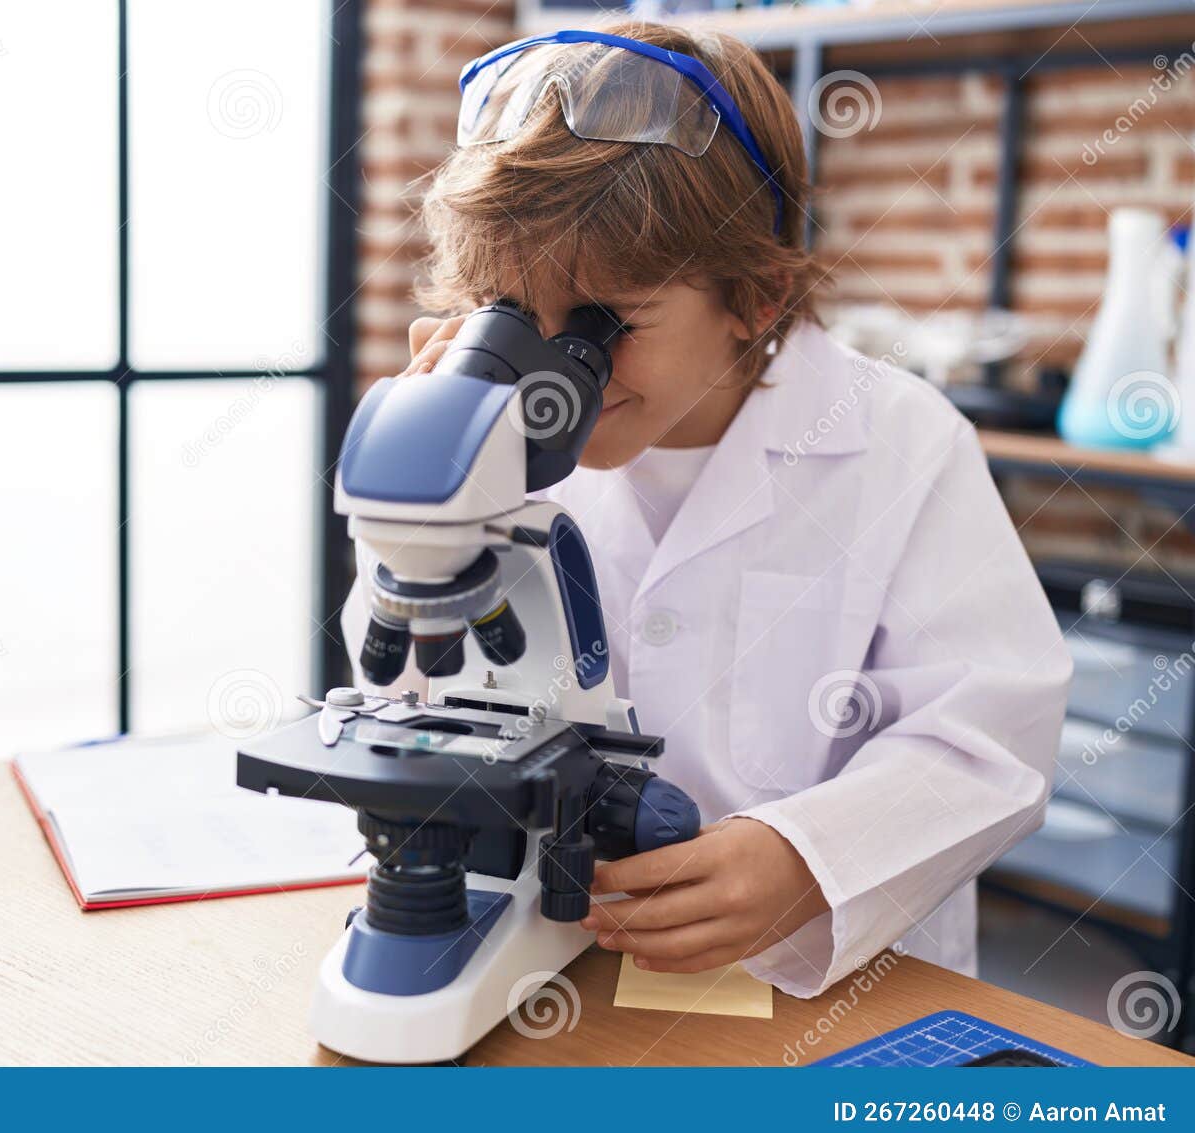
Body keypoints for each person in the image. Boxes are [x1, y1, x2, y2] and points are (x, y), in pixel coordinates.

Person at [396, 23, 1071, 997]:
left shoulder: (898, 442)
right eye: (507, 309)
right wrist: (431, 497)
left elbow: (994, 731)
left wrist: (805, 857)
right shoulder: (488, 433)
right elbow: (406, 694)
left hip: (814, 981)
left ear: (753, 298)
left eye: (603, 327)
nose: (552, 375)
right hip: (564, 965)